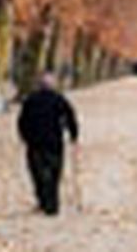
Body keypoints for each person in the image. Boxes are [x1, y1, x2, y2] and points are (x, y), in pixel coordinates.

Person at [17, 72, 79, 216]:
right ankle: (52, 203)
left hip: (35, 142)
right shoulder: (59, 99)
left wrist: (24, 137)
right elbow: (70, 117)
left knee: (38, 173)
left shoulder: (30, 100)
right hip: (54, 141)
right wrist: (73, 135)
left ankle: (44, 200)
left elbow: (22, 121)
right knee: (54, 172)